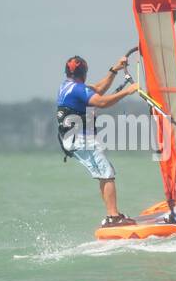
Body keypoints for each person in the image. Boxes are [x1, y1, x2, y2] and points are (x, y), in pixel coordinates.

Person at [57, 54, 141, 227]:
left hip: (74, 139)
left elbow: (97, 89)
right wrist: (128, 91)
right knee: (107, 173)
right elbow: (101, 101)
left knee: (104, 174)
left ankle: (113, 215)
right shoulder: (79, 90)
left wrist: (114, 70)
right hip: (80, 140)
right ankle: (113, 218)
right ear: (84, 72)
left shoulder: (68, 86)